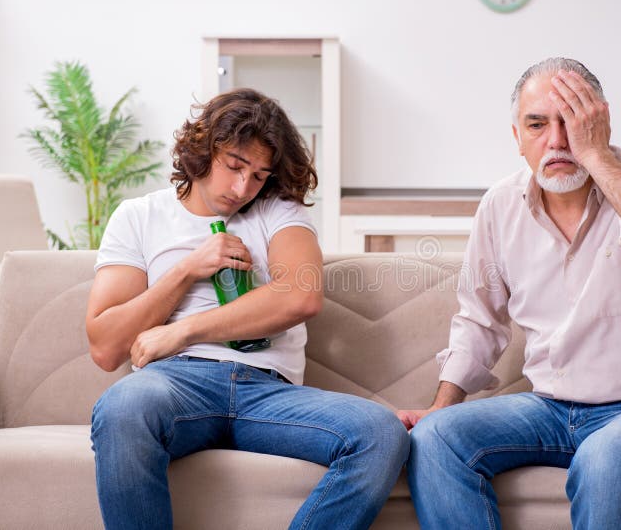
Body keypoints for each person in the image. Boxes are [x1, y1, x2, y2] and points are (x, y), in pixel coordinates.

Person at [398, 57, 621, 529]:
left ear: (600, 122)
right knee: (437, 438)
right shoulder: (500, 205)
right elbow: (478, 320)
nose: (558, 140)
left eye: (572, 121)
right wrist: (440, 410)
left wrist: (599, 158)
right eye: (538, 124)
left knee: (606, 458)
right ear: (517, 137)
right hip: (549, 409)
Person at [86, 88, 409, 530]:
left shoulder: (279, 211)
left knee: (380, 433)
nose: (243, 188)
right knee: (123, 407)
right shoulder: (139, 217)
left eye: (258, 175)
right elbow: (106, 346)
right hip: (175, 386)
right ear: (202, 150)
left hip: (269, 393)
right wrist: (186, 270)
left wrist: (183, 330)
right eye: (235, 166)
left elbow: (301, 295)